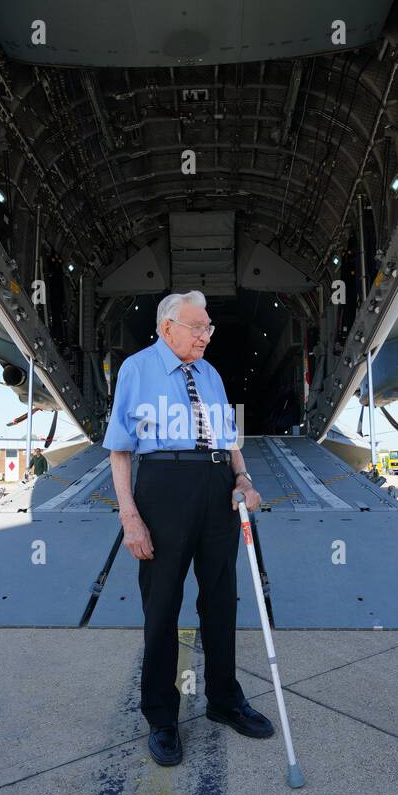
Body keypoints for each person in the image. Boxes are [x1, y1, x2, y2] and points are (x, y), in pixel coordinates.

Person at [103, 289, 272, 767]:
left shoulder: (212, 373)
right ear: (167, 327)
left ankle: (223, 699)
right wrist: (130, 515)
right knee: (162, 606)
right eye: (197, 328)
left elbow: (229, 437)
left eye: (209, 328)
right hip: (164, 485)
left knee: (221, 599)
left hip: (217, 485)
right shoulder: (137, 369)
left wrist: (242, 478)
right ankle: (162, 717)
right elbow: (120, 448)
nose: (206, 335)